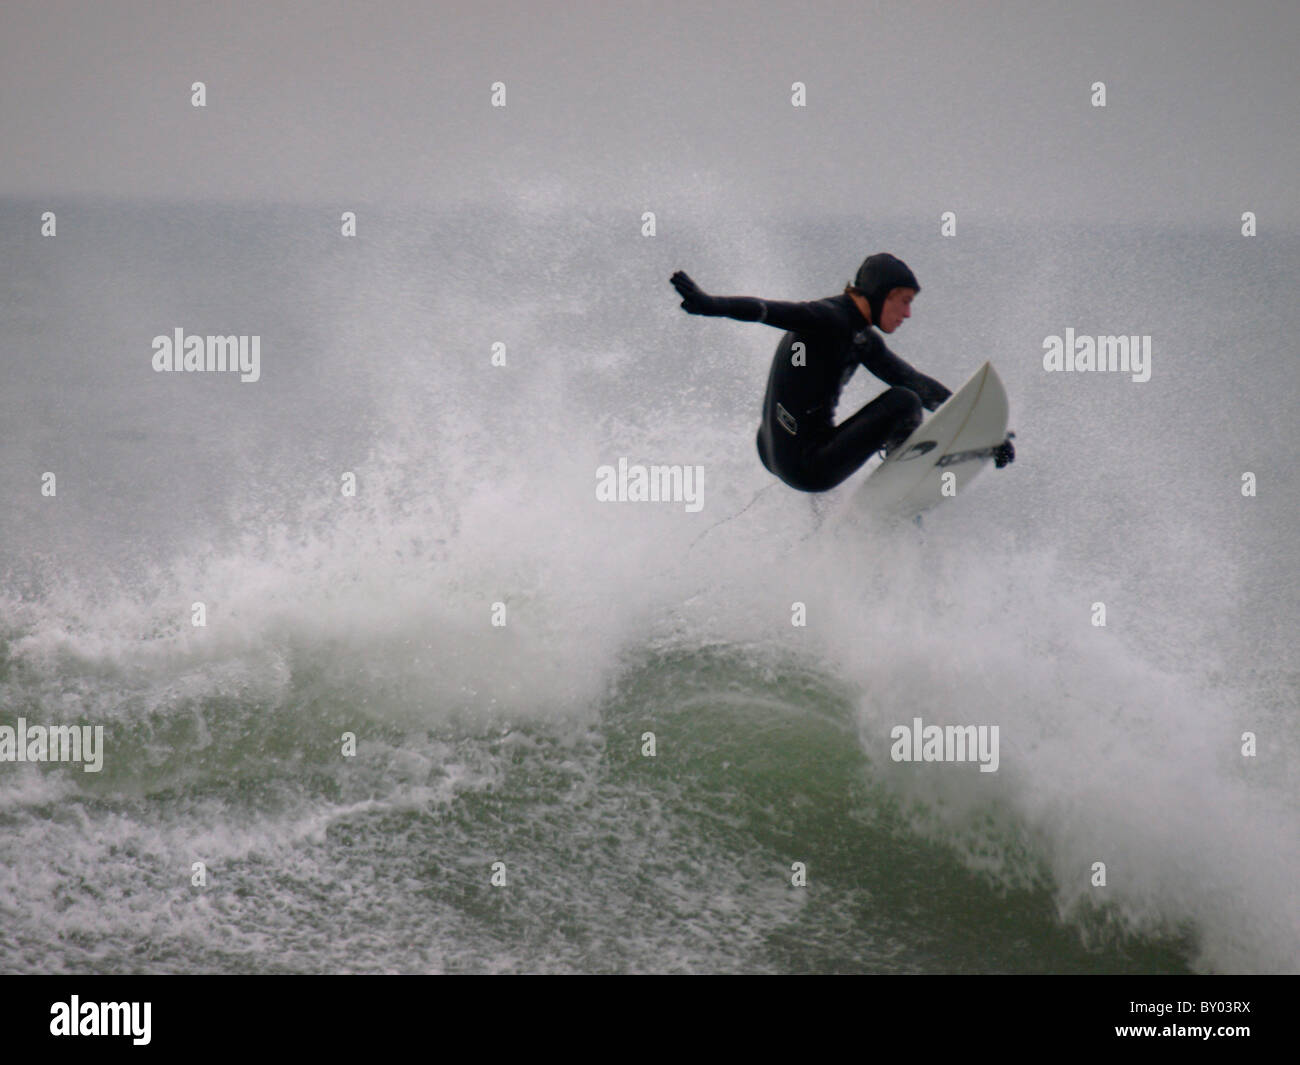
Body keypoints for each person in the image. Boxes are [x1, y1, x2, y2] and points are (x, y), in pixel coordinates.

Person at [671, 253, 1013, 492]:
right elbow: (768, 310)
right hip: (808, 466)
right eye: (904, 301)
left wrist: (979, 429)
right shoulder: (828, 318)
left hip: (774, 453)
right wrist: (712, 305)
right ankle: (902, 471)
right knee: (904, 402)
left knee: (906, 391)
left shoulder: (858, 335)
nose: (907, 313)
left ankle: (834, 507)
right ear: (881, 296)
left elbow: (911, 378)